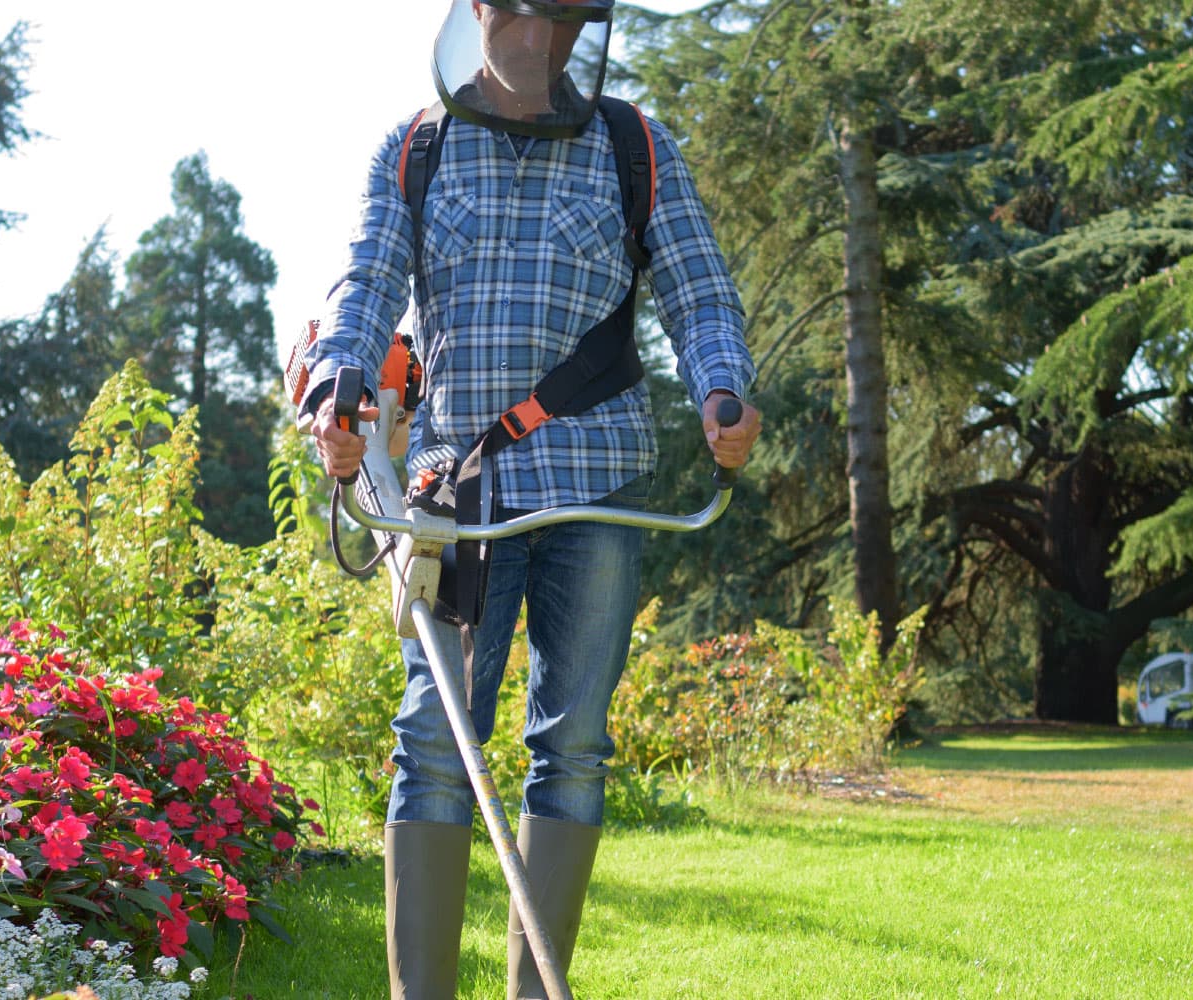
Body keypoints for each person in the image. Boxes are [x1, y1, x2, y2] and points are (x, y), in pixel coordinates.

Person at [294, 1, 759, 997]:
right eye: (517, 12)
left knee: (574, 747)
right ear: (477, 13)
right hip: (461, 495)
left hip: (599, 488)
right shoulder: (416, 147)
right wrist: (342, 382)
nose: (533, 36)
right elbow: (366, 282)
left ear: (579, 32)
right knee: (432, 740)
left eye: (558, 19)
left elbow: (700, 291)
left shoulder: (632, 146)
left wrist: (725, 387)